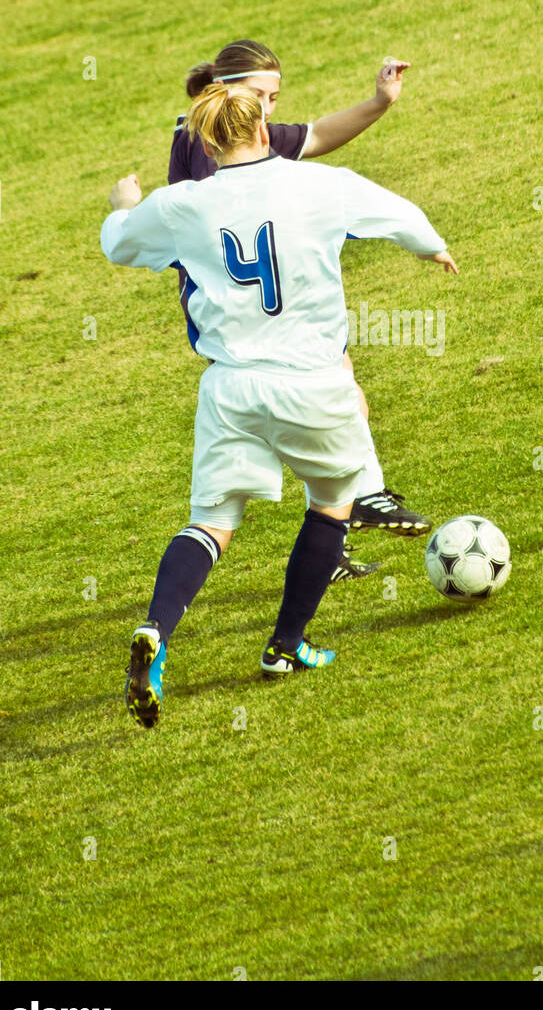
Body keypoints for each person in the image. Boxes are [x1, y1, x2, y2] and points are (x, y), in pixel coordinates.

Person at [102, 82, 458, 728]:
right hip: (312, 383)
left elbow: (120, 245)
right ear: (264, 129)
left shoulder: (183, 203)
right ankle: (285, 645)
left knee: (211, 521)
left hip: (230, 387)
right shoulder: (317, 184)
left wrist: (125, 207)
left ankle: (155, 630)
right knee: (333, 501)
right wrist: (429, 244)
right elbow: (397, 211)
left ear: (207, 143)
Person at [169, 38, 433, 580]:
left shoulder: (224, 124)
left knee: (332, 391)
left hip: (246, 299)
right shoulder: (214, 138)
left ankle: (341, 529)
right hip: (241, 300)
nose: (270, 110)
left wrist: (380, 102)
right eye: (263, 97)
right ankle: (362, 498)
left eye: (274, 98)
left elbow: (313, 137)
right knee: (330, 391)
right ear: (227, 90)